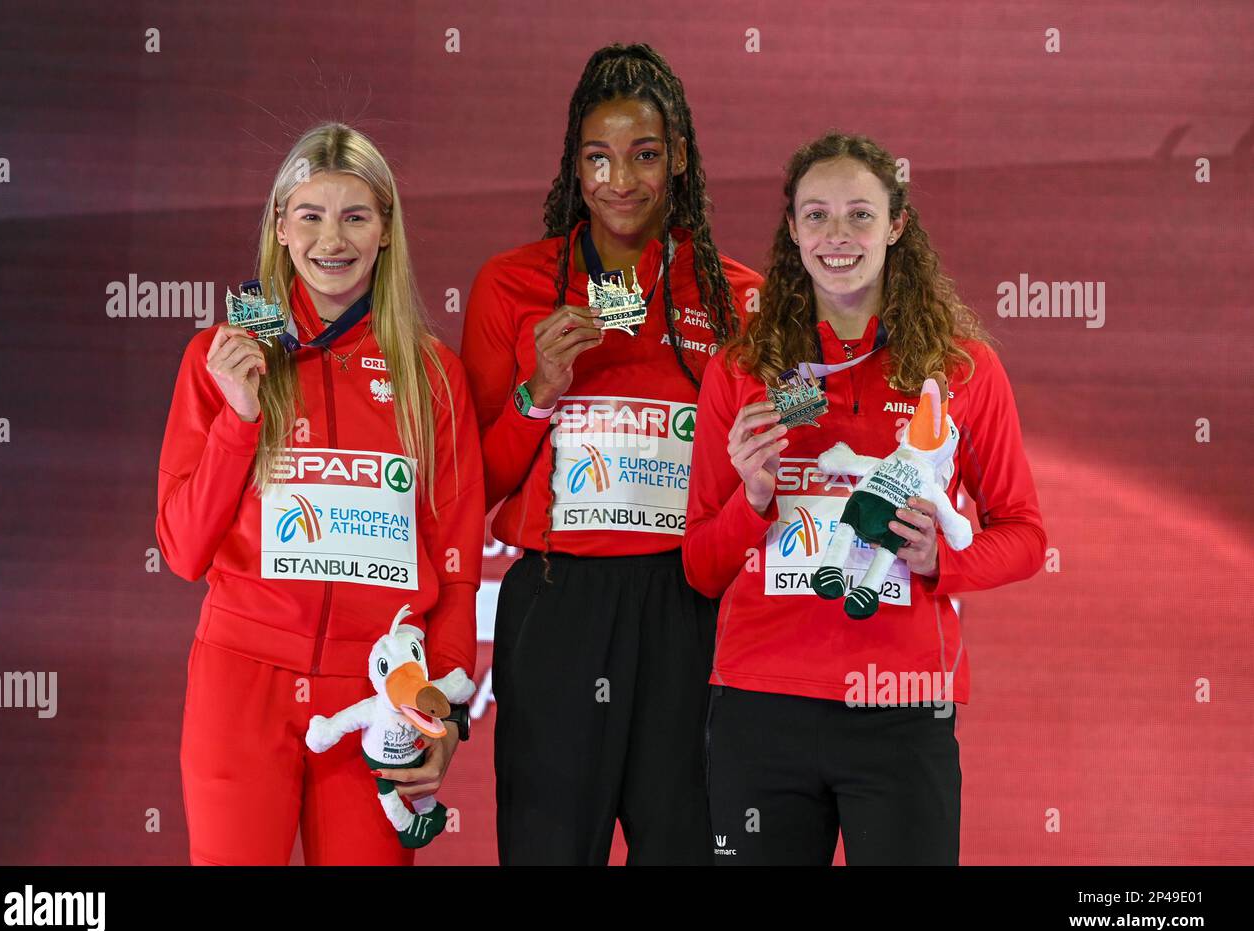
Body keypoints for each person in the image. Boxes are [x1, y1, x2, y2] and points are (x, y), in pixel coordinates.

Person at [683, 131, 1046, 865]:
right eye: (816, 215)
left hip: (901, 705)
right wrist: (751, 497)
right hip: (762, 705)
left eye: (859, 214)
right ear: (791, 229)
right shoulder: (744, 368)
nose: (837, 235)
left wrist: (941, 557)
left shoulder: (962, 371)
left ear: (897, 225)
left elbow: (1026, 534)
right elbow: (700, 566)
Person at [460, 43, 762, 865]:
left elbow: (763, 471)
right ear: (574, 163)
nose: (620, 180)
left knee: (691, 848)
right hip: (558, 607)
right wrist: (539, 391)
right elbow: (476, 483)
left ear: (680, 160)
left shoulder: (739, 295)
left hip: (689, 604)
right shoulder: (511, 286)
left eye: (644, 155)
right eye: (598, 157)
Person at [156, 122, 482, 865]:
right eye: (309, 214)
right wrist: (240, 419)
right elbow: (181, 550)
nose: (331, 238)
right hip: (240, 683)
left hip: (372, 693)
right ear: (279, 226)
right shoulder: (220, 358)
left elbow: (457, 565)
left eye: (356, 215)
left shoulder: (433, 378)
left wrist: (446, 713)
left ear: (387, 230)